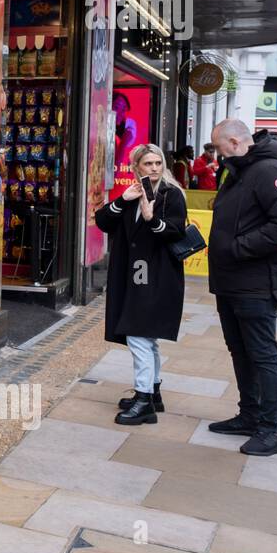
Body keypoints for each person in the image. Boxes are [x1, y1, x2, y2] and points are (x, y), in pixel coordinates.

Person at [207, 119, 277, 456]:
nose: (217, 154)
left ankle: (271, 430)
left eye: (218, 147)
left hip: (254, 283)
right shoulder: (240, 170)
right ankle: (249, 415)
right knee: (240, 350)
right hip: (230, 282)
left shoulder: (268, 170)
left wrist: (238, 248)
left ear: (233, 141)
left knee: (263, 355)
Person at [94, 144, 188, 425]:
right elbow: (102, 221)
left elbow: (174, 231)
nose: (155, 168)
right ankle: (153, 393)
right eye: (148, 164)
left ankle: (144, 398)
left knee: (138, 335)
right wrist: (123, 199)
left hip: (158, 276)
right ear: (137, 167)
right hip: (133, 275)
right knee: (146, 336)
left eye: (158, 163)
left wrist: (152, 219)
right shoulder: (132, 194)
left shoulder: (172, 195)